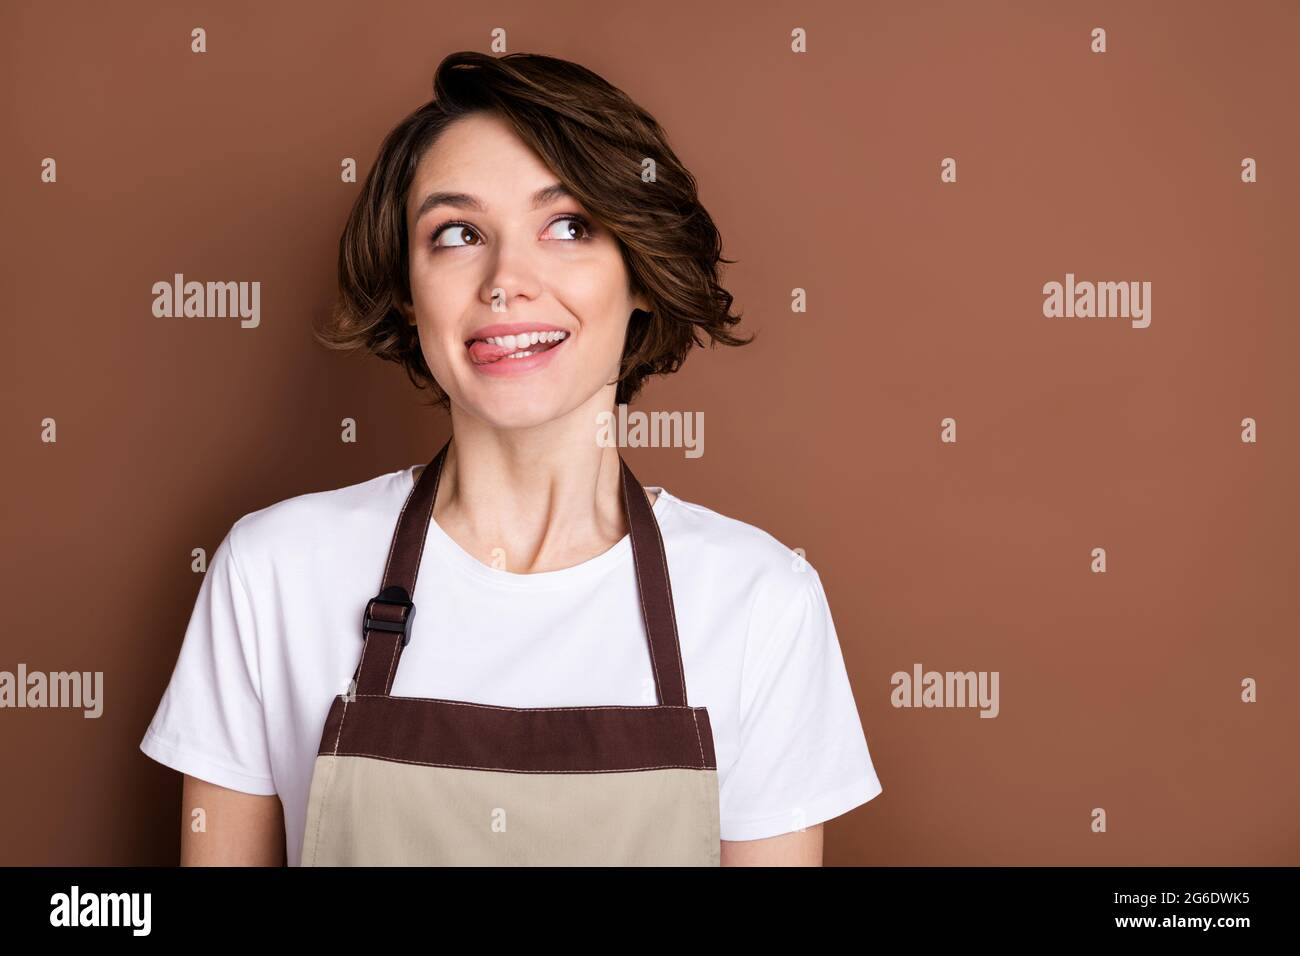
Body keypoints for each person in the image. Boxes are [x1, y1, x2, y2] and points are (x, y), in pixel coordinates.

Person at [140, 51, 882, 866]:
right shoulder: (271, 573)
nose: (506, 282)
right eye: (458, 234)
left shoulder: (760, 604)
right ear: (407, 287)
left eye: (568, 226)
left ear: (640, 273)